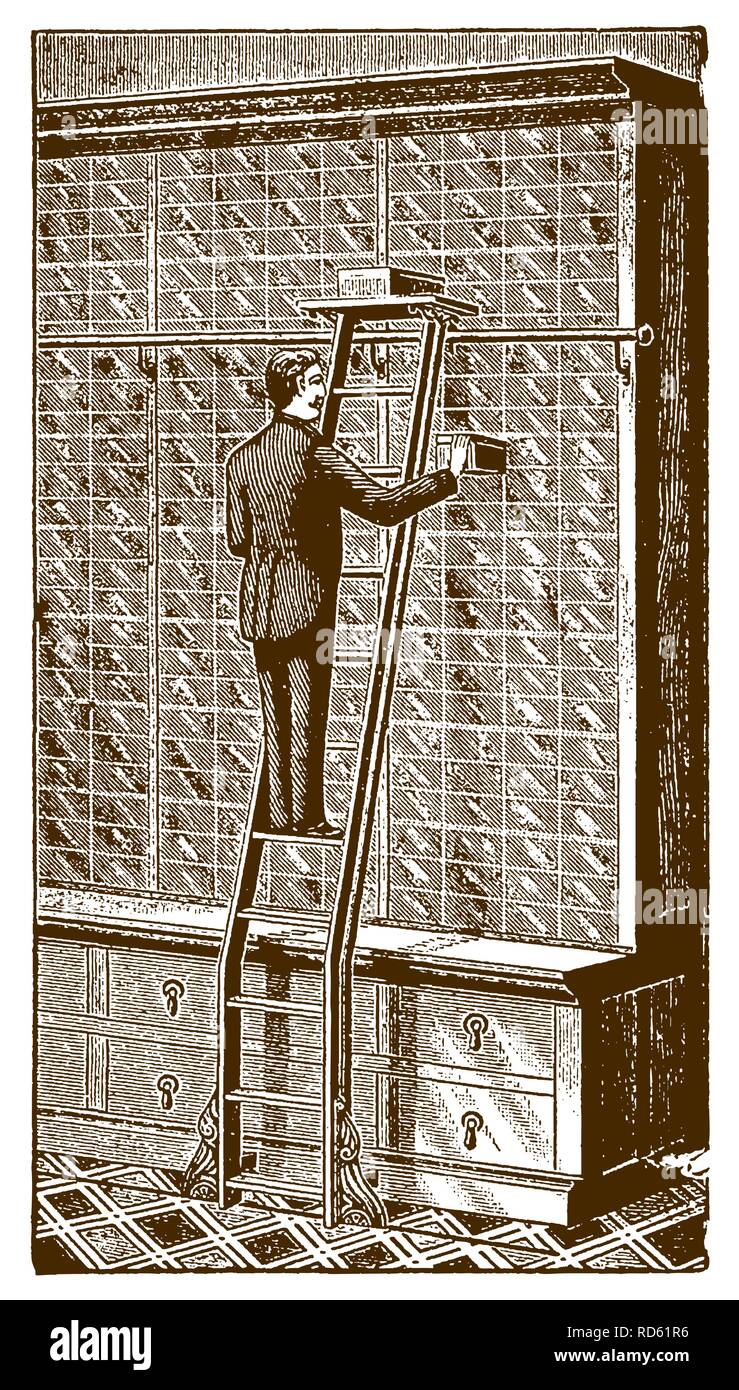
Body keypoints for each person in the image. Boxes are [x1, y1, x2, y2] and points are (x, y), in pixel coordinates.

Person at [225, 347, 468, 836]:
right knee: (312, 713)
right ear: (295, 389)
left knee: (277, 717)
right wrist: (448, 477)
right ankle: (309, 819)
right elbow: (382, 506)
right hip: (309, 602)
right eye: (314, 381)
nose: (322, 390)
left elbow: (236, 541)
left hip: (258, 604)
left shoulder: (241, 457)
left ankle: (283, 816)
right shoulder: (316, 454)